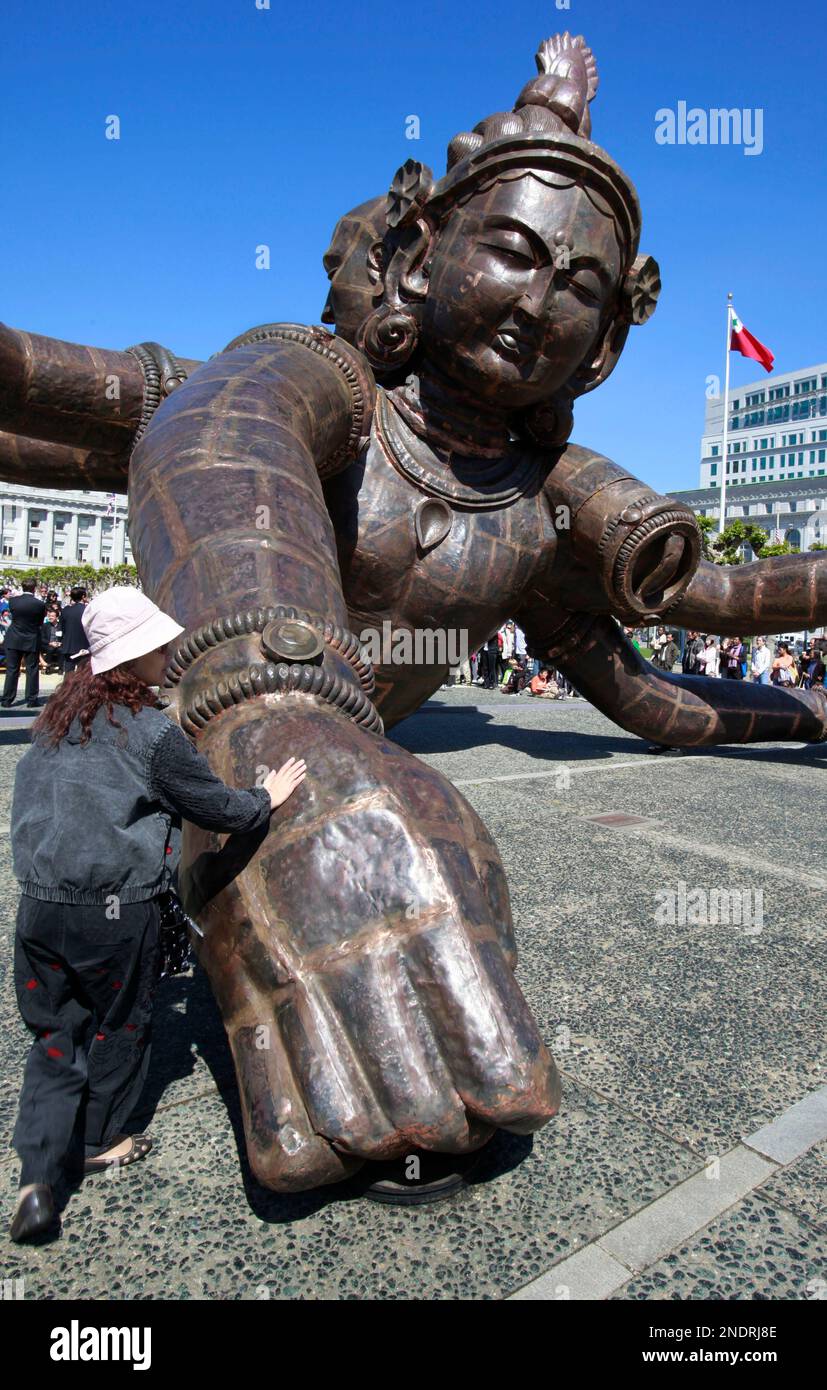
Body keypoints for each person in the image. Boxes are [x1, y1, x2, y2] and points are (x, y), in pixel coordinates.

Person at [8, 587, 307, 1242]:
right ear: (137, 655)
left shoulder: (54, 723)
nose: (171, 653)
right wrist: (267, 796)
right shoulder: (149, 733)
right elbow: (216, 808)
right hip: (115, 913)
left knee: (56, 1037)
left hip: (38, 910)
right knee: (119, 1024)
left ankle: (35, 1173)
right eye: (161, 645)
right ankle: (98, 1140)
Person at [1, 578, 47, 707]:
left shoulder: (13, 601)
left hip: (14, 637)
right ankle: (31, 699)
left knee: (12, 670)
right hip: (31, 638)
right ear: (34, 588)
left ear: (22, 587)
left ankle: (7, 699)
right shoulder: (39, 604)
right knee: (32, 670)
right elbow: (40, 622)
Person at [59, 585, 90, 673]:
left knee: (68, 672)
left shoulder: (65, 610)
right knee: (84, 673)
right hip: (84, 645)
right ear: (83, 596)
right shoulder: (87, 610)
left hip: (68, 645)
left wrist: (60, 640)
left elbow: (60, 628)